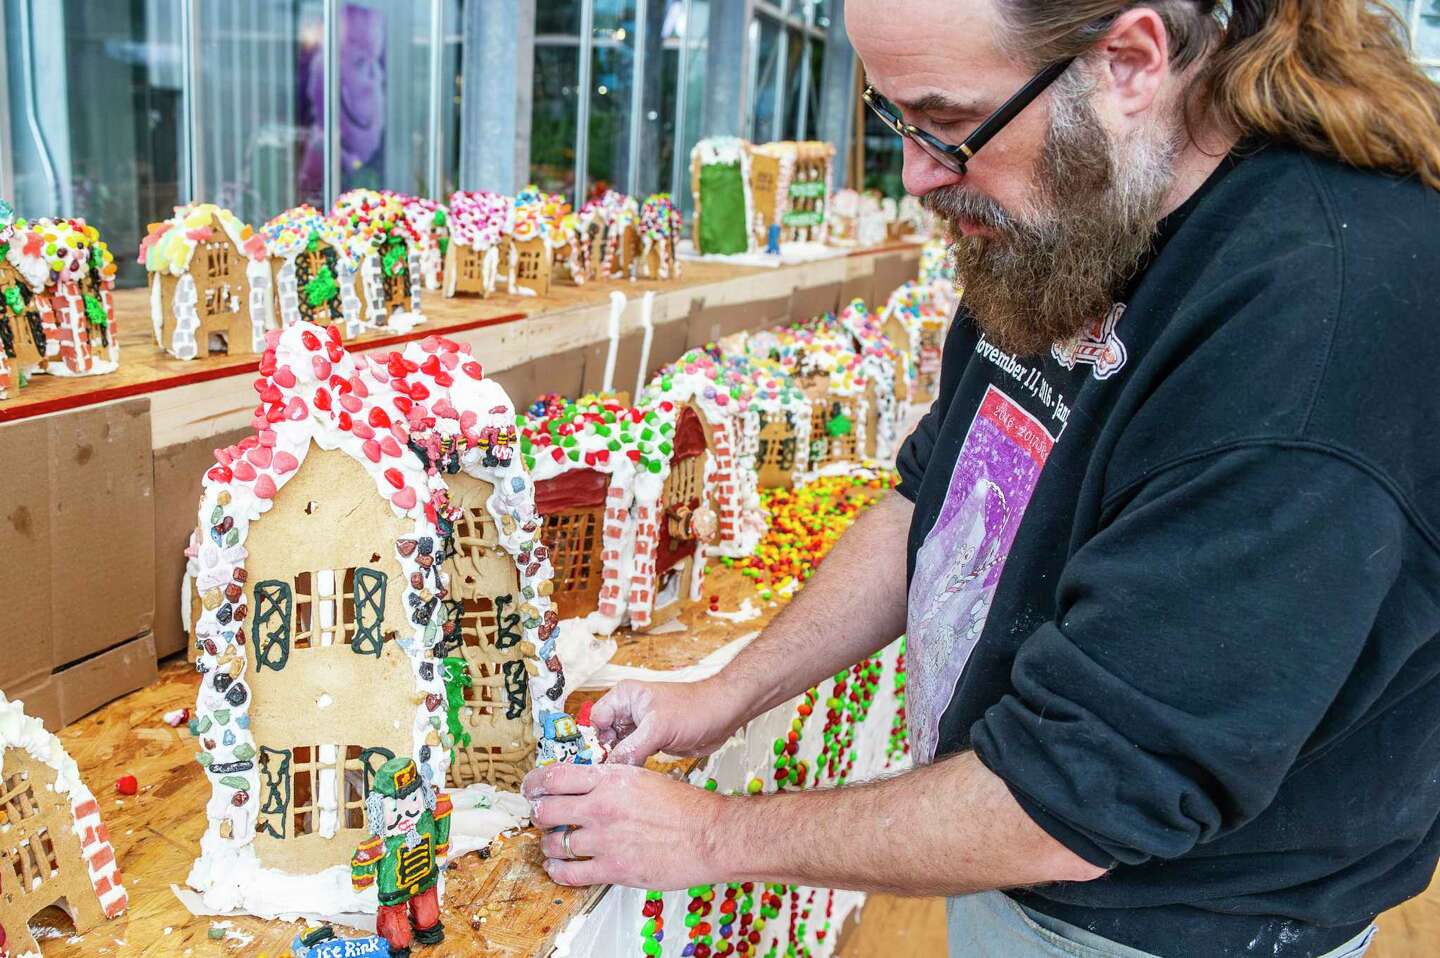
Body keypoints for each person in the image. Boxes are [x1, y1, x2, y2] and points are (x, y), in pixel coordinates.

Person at [521, 2, 1440, 955]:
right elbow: (938, 493)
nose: (920, 173)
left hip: (1167, 929)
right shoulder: (1081, 211)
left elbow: (1078, 795)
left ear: (1126, 63)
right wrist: (727, 691)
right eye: (898, 122)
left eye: (950, 124)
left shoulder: (1317, 331)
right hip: (1015, 867)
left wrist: (709, 835)